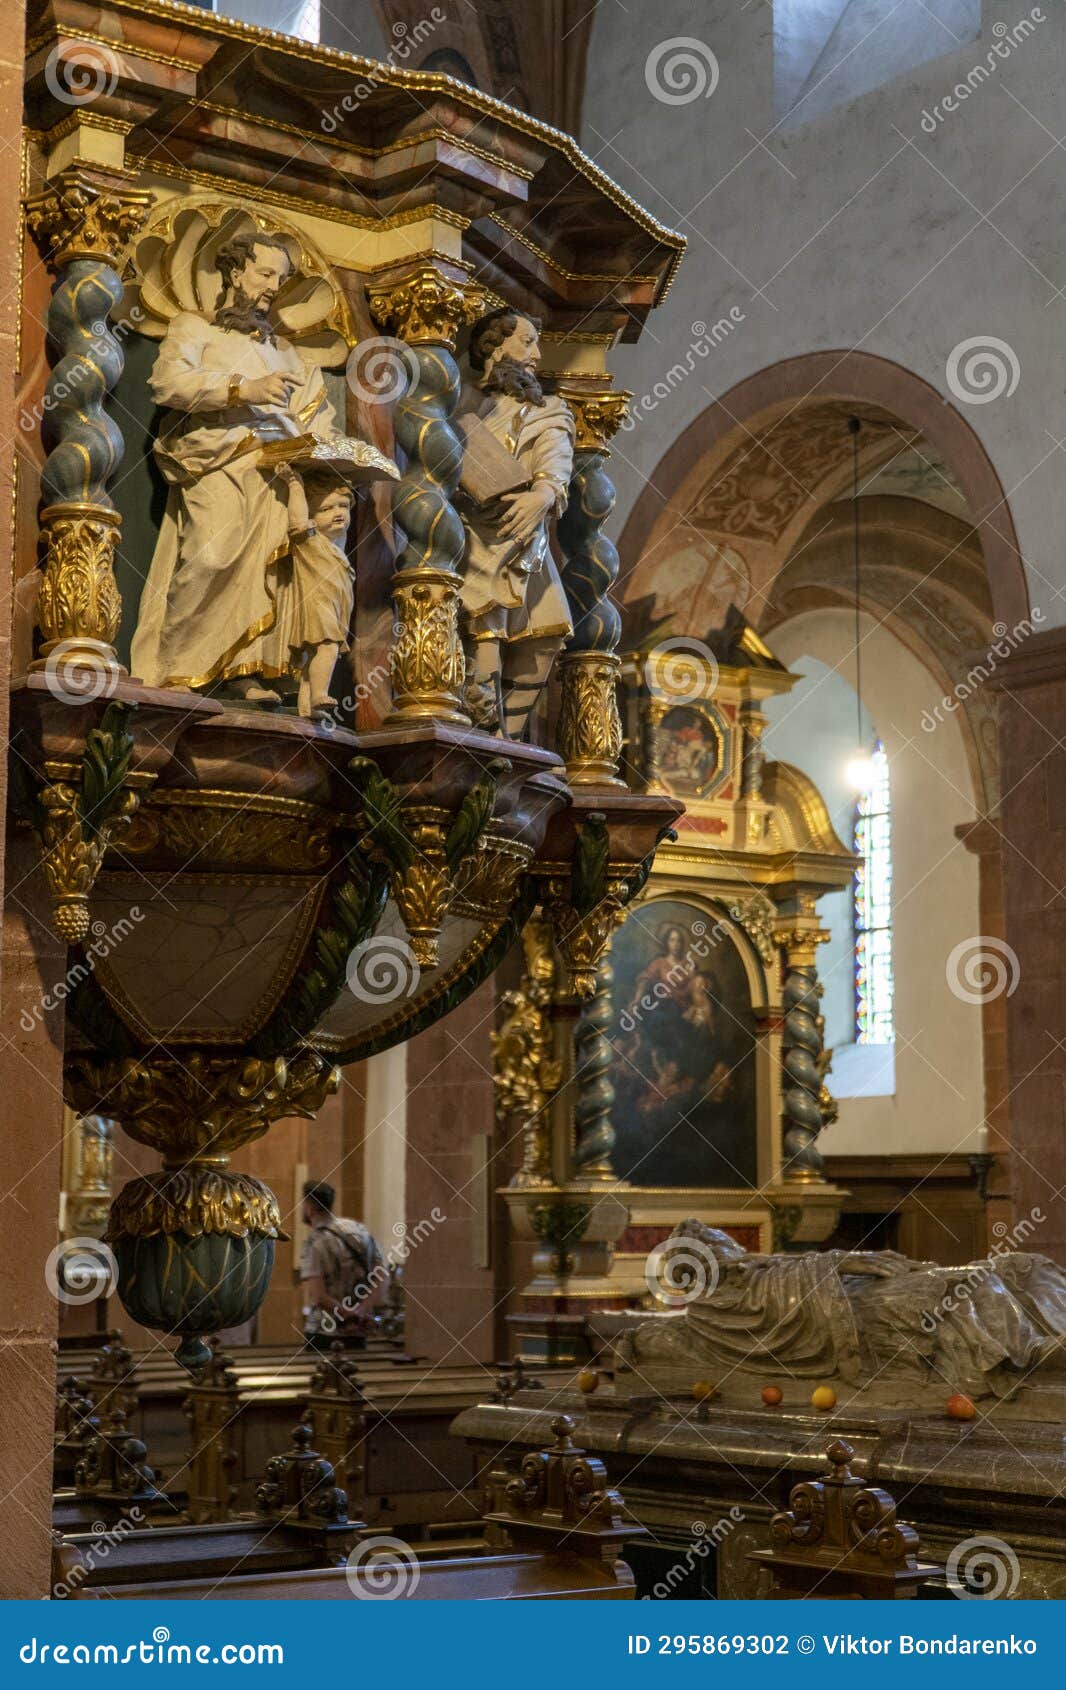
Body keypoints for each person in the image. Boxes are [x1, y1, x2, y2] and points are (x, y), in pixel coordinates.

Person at [130, 230, 339, 701]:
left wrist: (329, 443)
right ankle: (176, 671)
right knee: (212, 556)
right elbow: (167, 384)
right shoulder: (194, 328)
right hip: (216, 461)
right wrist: (243, 390)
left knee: (266, 574)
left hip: (275, 470)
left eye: (280, 279)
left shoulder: (286, 353)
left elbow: (313, 414)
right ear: (235, 271)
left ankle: (241, 671)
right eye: (264, 273)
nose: (271, 286)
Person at [457, 308, 575, 737]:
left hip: (526, 541)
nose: (537, 355)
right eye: (527, 342)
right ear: (494, 345)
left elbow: (555, 459)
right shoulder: (461, 403)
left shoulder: (548, 410)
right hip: (475, 536)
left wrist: (543, 494)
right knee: (484, 632)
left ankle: (510, 735)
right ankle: (484, 735)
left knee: (545, 636)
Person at [272, 463, 355, 719]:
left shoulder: (336, 549)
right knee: (327, 648)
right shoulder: (311, 541)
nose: (338, 513)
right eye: (326, 508)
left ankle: (307, 706)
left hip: (335, 608)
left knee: (317, 656)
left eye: (343, 506)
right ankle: (320, 695)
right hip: (317, 604)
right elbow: (297, 520)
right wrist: (294, 484)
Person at [299, 1180, 385, 1350]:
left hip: (324, 1332)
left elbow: (318, 1296)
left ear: (309, 1207)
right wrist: (360, 1310)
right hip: (358, 1331)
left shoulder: (314, 1241)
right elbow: (382, 1278)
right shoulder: (361, 1232)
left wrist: (345, 1313)